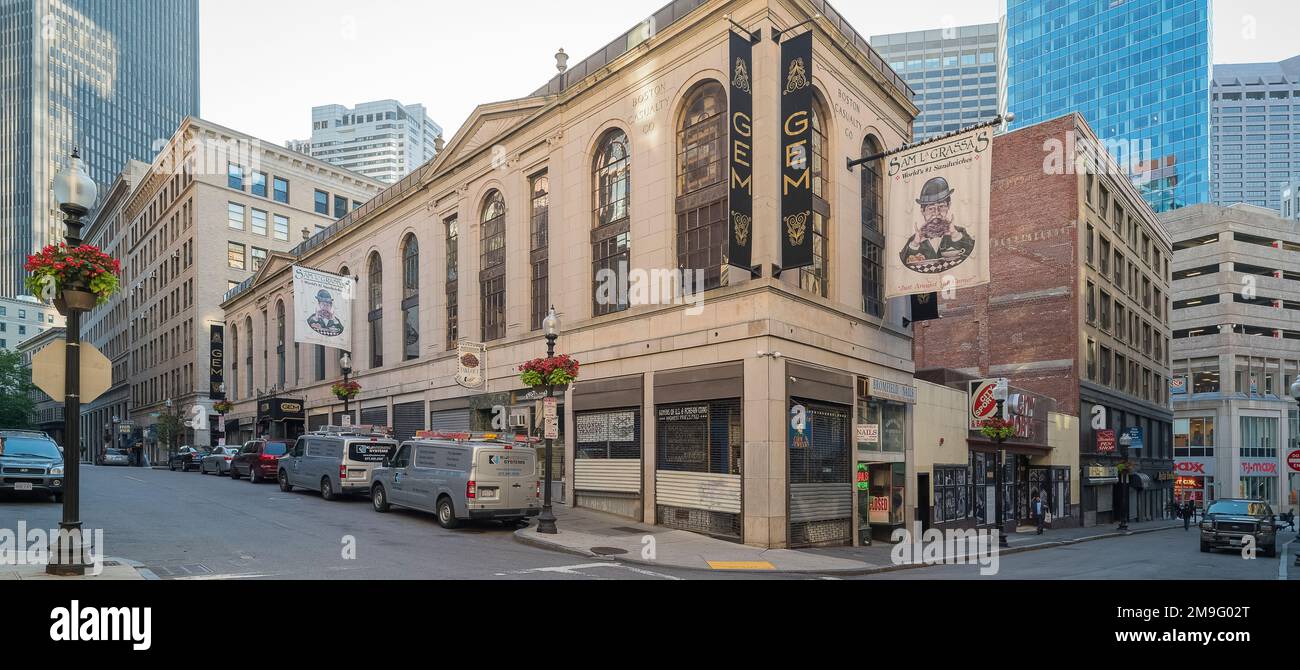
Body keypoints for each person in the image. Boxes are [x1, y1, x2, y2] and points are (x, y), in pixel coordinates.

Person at [899, 177, 977, 274]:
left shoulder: (959, 233)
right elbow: (903, 262)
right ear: (922, 211)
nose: (936, 213)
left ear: (949, 206)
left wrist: (954, 234)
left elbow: (972, 252)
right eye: (931, 208)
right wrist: (915, 243)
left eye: (941, 207)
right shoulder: (914, 240)